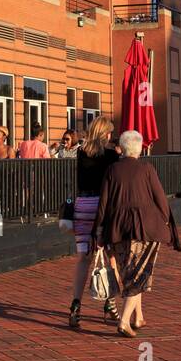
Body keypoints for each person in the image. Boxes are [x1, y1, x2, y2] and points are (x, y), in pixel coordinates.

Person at [92, 129, 181, 338]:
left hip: (118, 229)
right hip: (145, 228)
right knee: (138, 275)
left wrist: (98, 230)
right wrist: (166, 222)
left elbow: (103, 202)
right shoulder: (146, 168)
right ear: (140, 148)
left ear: (121, 148)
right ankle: (124, 321)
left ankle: (138, 316)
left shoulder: (112, 170)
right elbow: (160, 199)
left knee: (130, 273)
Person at [68, 117, 119, 328]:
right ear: (106, 133)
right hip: (102, 207)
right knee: (111, 256)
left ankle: (75, 306)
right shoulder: (110, 156)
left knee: (83, 258)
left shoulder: (81, 153)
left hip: (82, 205)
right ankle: (111, 303)